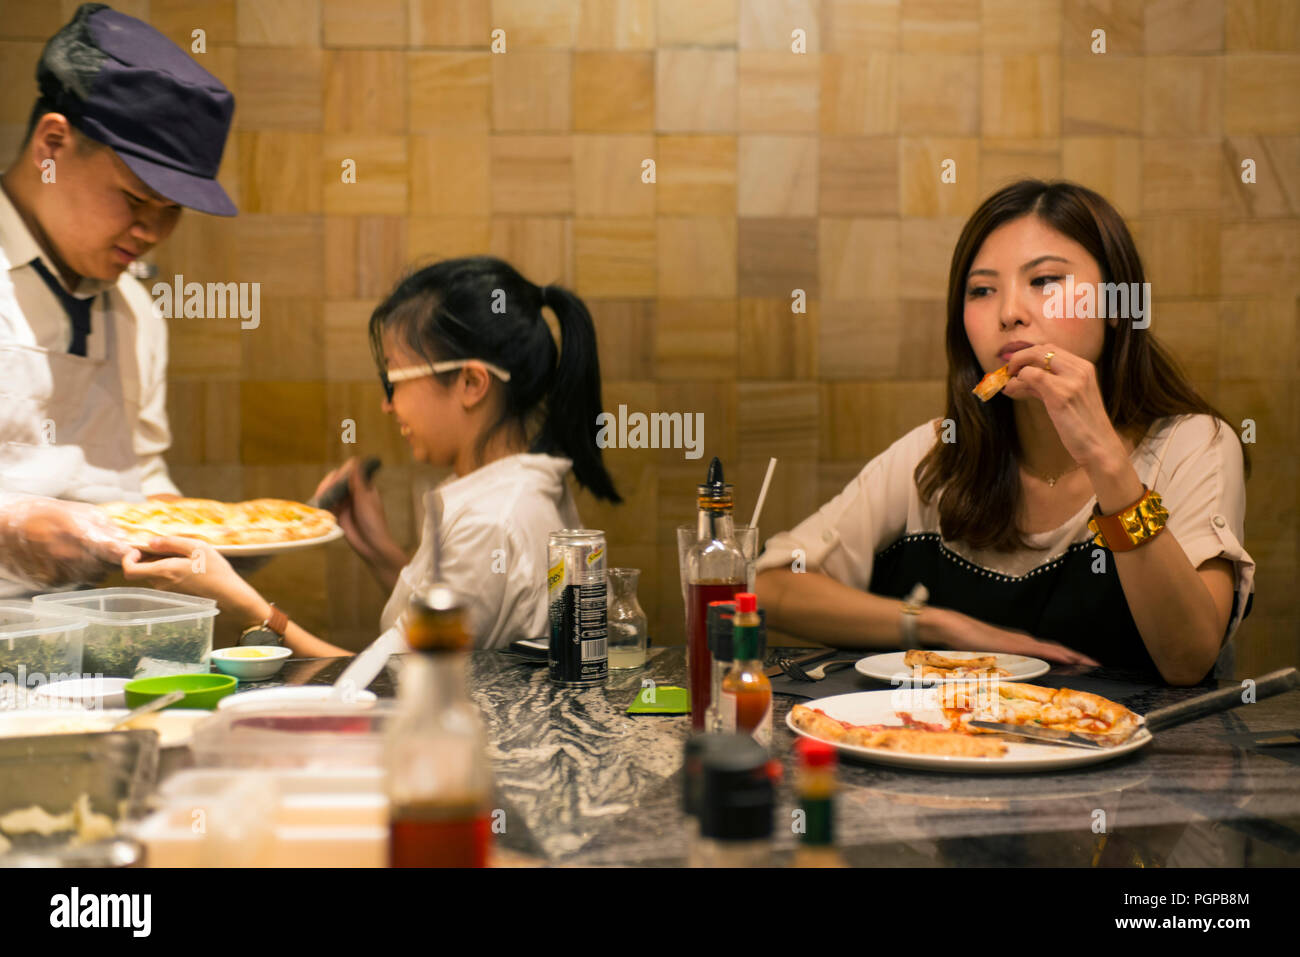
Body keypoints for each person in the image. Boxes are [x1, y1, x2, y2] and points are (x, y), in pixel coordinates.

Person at [755, 180, 1253, 686]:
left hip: (1138, 757)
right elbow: (769, 585)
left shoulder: (1192, 444)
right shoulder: (939, 453)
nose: (1010, 312)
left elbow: (1188, 659)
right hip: (951, 749)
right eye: (982, 290)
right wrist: (938, 626)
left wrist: (1106, 462)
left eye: (1045, 281)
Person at [123, 256, 622, 653]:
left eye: (394, 378)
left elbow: (396, 694)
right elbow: (440, 640)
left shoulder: (491, 522)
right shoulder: (519, 489)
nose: (387, 404)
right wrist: (384, 556)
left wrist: (245, 604)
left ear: (471, 382)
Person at [0, 2, 236, 596]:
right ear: (52, 144)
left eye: (171, 212)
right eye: (136, 200)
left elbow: (142, 477)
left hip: (112, 652)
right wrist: (15, 528)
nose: (152, 233)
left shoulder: (138, 314)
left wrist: (211, 542)